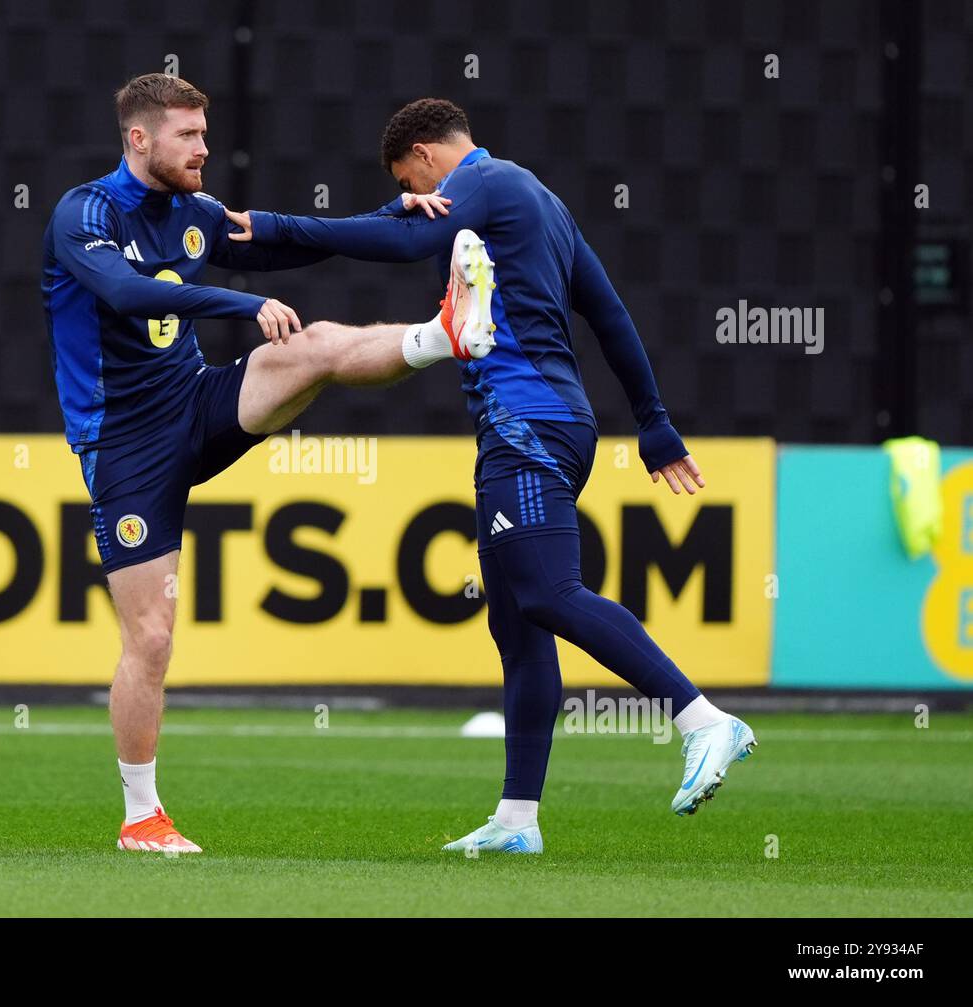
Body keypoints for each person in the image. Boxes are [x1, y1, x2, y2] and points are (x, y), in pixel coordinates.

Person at [226, 98, 757, 853]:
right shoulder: (542, 202)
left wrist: (276, 227)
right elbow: (610, 315)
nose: (422, 201)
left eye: (413, 181)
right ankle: (517, 820)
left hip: (526, 422)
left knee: (548, 592)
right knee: (516, 621)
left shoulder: (489, 183)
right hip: (548, 423)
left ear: (426, 155)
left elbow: (400, 241)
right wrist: (654, 421)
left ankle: (703, 719)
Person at [41, 76, 497, 853]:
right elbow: (122, 293)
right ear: (139, 139)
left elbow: (290, 242)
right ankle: (141, 817)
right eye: (187, 135)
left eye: (205, 133)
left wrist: (393, 213)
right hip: (122, 444)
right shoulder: (83, 212)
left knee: (313, 345)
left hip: (195, 403)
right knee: (151, 638)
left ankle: (445, 332)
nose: (204, 148)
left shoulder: (193, 213)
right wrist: (239, 306)